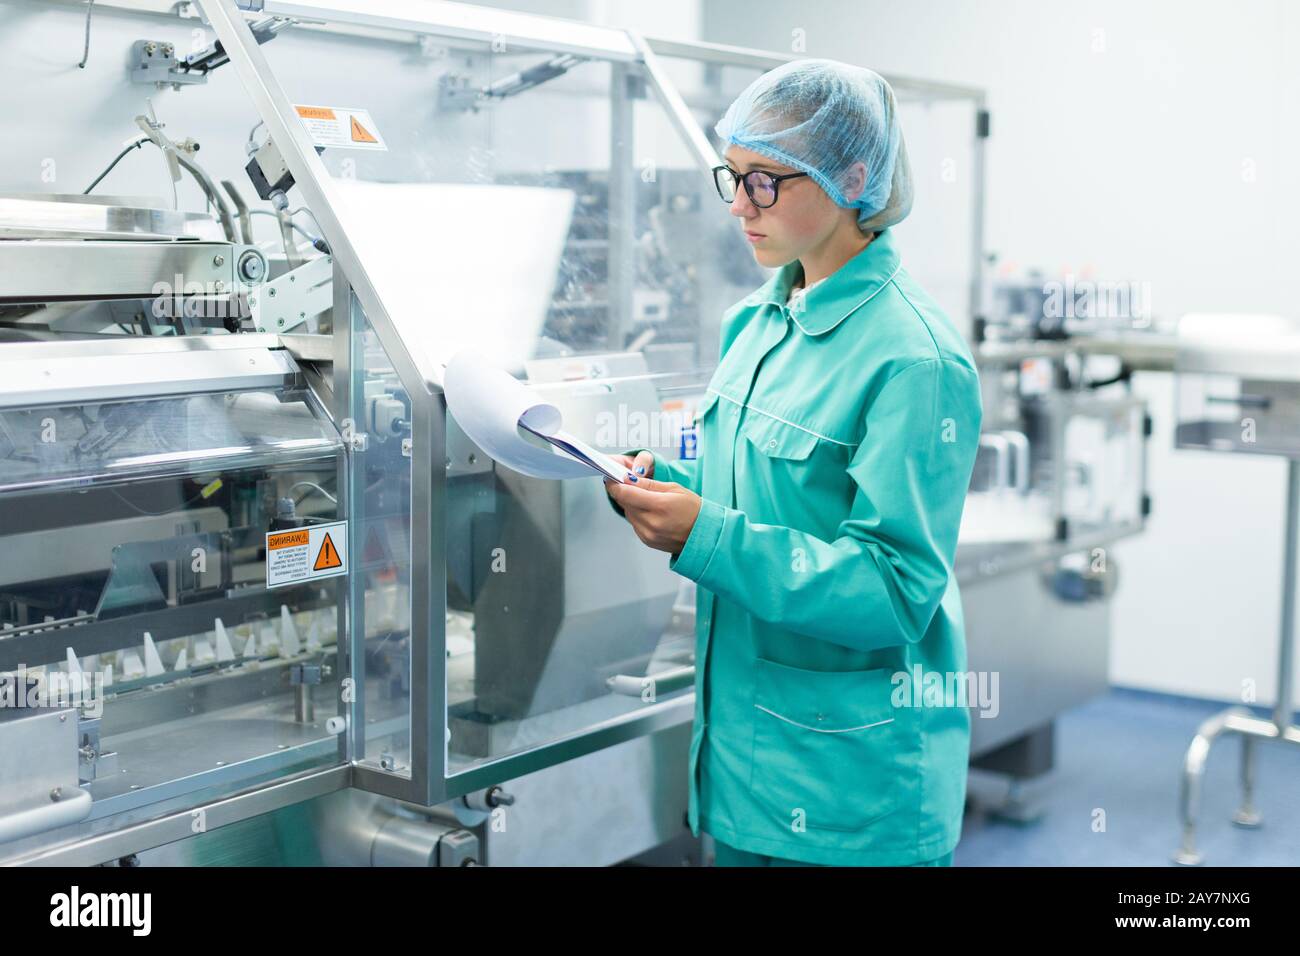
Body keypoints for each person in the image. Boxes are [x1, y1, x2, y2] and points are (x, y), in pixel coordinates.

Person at [605, 58, 982, 867]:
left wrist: (704, 536)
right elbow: (754, 493)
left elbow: (893, 592)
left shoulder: (915, 361)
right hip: (744, 768)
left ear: (852, 178)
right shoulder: (758, 320)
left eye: (766, 182)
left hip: (850, 786)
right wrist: (668, 489)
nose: (739, 206)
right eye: (732, 178)